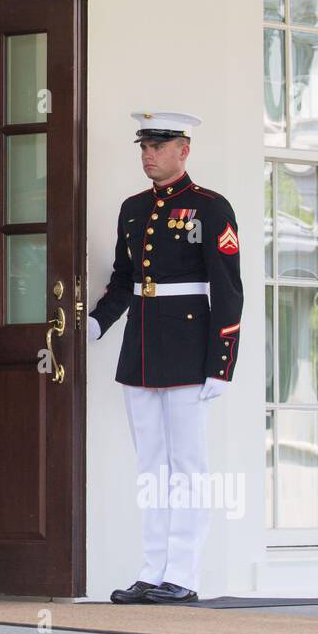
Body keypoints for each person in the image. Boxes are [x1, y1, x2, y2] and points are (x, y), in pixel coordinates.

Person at [87, 112, 243, 604]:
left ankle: (184, 573)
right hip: (142, 349)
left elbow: (228, 290)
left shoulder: (210, 208)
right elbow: (123, 280)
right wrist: (95, 323)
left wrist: (222, 362)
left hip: (189, 350)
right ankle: (153, 569)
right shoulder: (133, 208)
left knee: (187, 467)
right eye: (144, 145)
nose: (148, 154)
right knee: (151, 467)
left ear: (184, 149)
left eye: (159, 144)